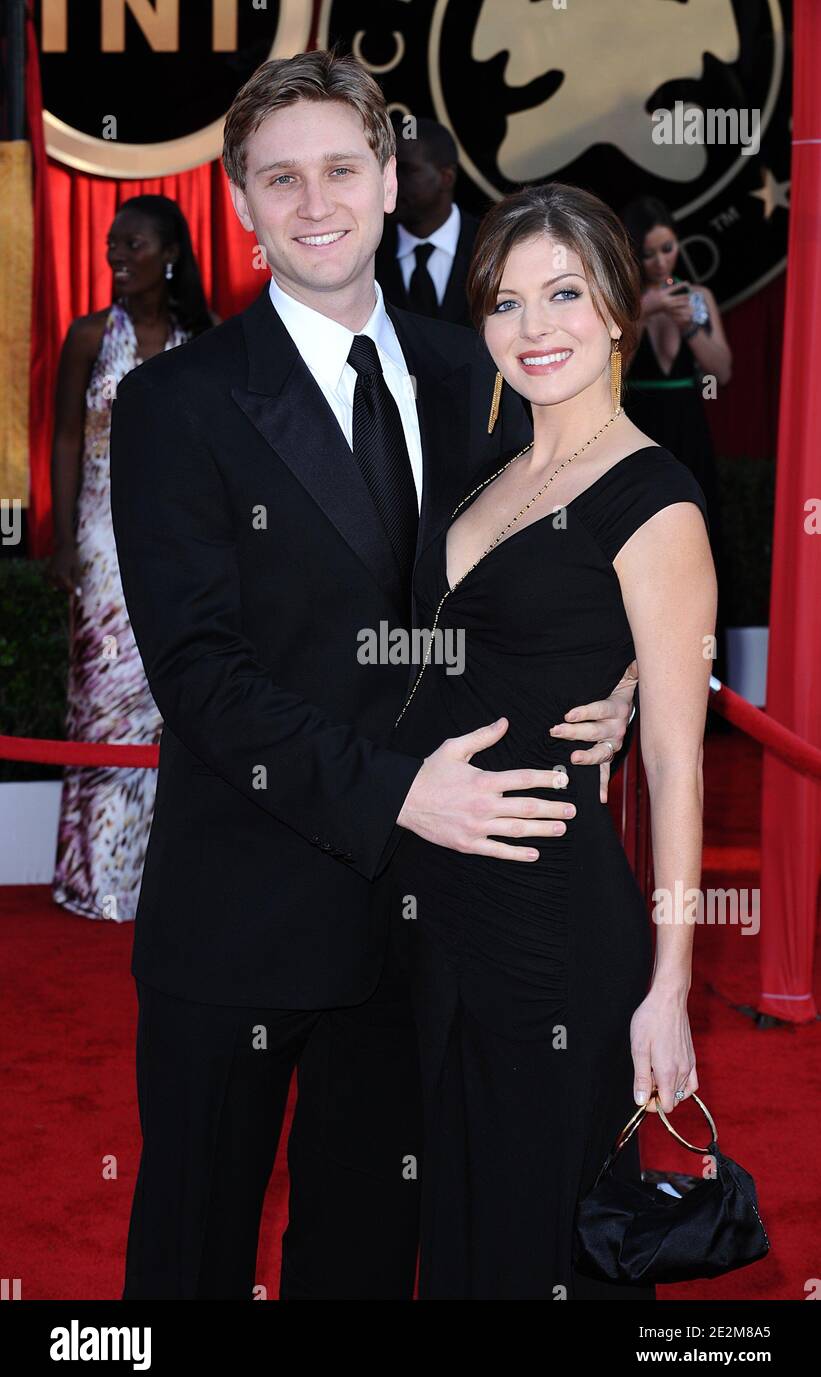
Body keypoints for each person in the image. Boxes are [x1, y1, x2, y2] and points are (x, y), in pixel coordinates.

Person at [109, 50, 638, 1301]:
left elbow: (562, 564)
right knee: (186, 1254)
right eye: (277, 177)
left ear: (391, 177)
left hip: (425, 924)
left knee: (360, 1255)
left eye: (341, 167)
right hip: (239, 907)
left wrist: (612, 676)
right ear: (238, 201)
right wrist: (399, 792)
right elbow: (199, 676)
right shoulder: (174, 404)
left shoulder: (481, 374)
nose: (314, 202)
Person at [387, 182, 717, 1300]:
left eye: (563, 294)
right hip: (437, 919)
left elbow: (675, 763)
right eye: (506, 301)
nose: (533, 328)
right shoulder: (483, 470)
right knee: (458, 1237)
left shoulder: (655, 500)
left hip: (554, 932)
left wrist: (669, 984)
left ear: (620, 307)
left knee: (544, 1252)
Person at [48, 195, 214, 922]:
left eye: (134, 245)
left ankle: (159, 878)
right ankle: (94, 879)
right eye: (113, 245)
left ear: (170, 252)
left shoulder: (201, 340)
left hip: (179, 544)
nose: (119, 256)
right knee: (101, 703)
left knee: (166, 706)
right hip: (99, 540)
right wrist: (60, 543)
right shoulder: (89, 336)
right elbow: (63, 440)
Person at [620, 195, 731, 675]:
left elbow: (721, 370)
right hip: (641, 425)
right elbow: (610, 361)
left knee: (702, 543)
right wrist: (643, 313)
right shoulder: (623, 301)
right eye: (649, 253)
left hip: (689, 426)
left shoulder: (698, 298)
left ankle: (707, 681)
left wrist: (691, 329)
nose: (661, 261)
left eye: (667, 248)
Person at [375, 116, 479, 326]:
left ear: (446, 177)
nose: (390, 182)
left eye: (405, 170)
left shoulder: (491, 244)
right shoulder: (369, 249)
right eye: (385, 170)